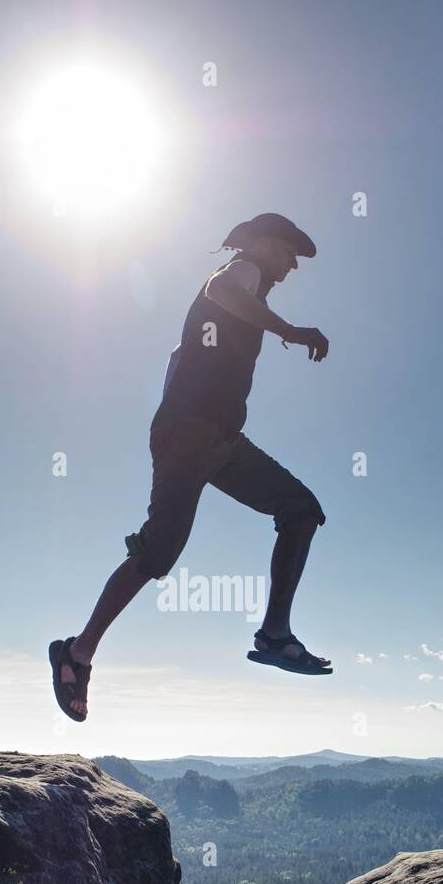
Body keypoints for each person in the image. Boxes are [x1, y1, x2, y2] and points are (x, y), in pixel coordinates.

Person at [50, 212, 331, 722]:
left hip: (219, 440)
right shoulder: (242, 272)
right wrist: (291, 330)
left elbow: (183, 355)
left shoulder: (249, 295)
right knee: (160, 551)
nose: (292, 266)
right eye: (289, 253)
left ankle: (275, 635)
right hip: (190, 434)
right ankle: (77, 652)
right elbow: (224, 290)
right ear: (264, 244)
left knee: (301, 509)